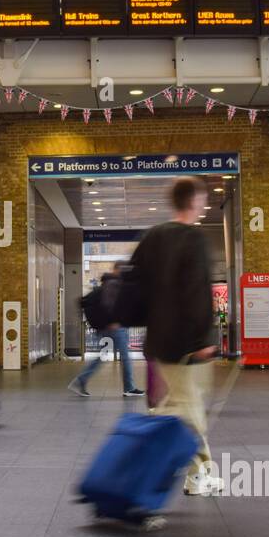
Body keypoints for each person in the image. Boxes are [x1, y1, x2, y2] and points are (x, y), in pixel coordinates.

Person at [129, 175, 223, 497]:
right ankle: (184, 473)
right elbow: (197, 293)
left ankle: (202, 471)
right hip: (186, 345)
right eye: (202, 199)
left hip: (157, 341)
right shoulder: (193, 241)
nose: (204, 204)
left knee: (176, 404)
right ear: (194, 201)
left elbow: (135, 288)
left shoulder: (152, 238)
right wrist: (203, 341)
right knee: (185, 408)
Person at [69, 262, 143, 398]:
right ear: (116, 270)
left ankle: (80, 381)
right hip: (114, 328)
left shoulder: (108, 283)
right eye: (122, 269)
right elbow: (108, 305)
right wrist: (112, 321)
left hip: (110, 328)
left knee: (103, 357)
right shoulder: (113, 284)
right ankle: (129, 388)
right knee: (125, 356)